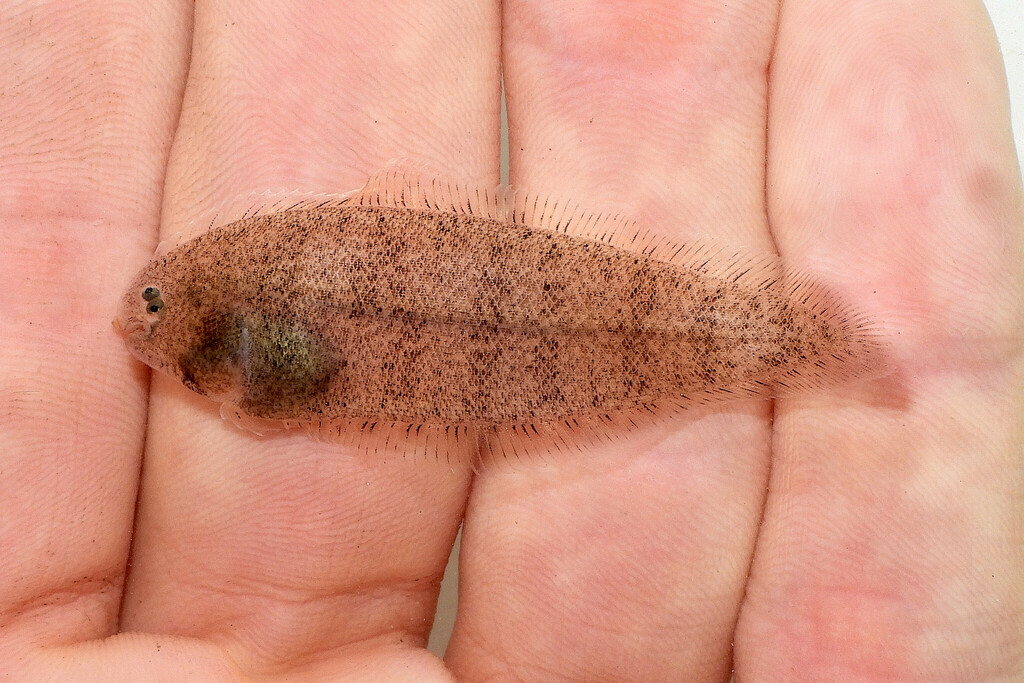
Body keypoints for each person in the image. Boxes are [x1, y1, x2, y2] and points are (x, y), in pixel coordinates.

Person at [1, 1, 1021, 680]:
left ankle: (790, 339)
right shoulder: (230, 289)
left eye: (149, 304)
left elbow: (280, 385)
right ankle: (786, 339)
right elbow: (290, 378)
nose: (134, 322)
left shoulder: (221, 300)